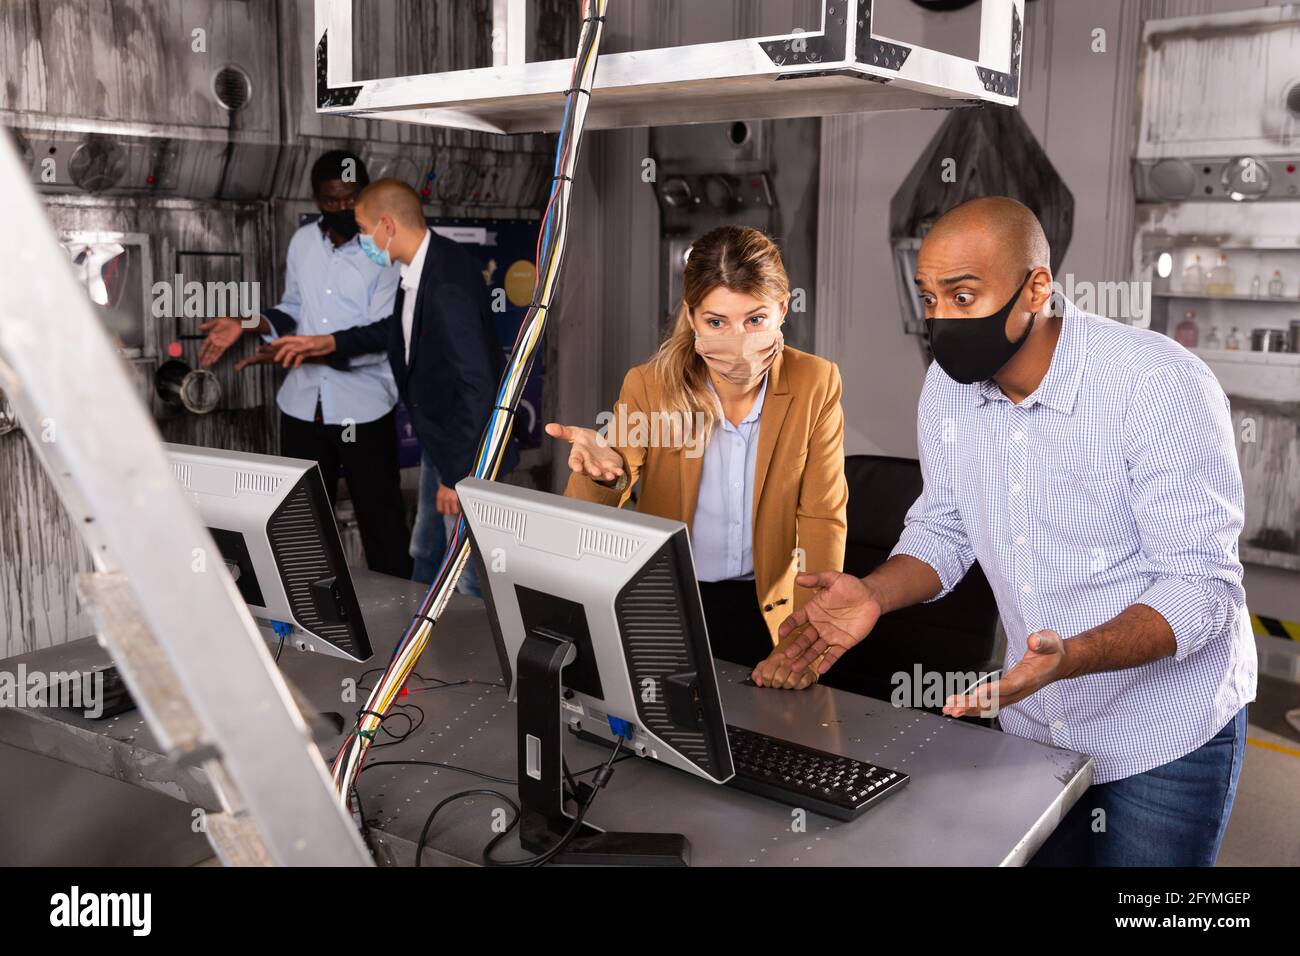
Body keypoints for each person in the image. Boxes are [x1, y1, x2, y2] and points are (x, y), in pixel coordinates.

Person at [761, 196, 1256, 866]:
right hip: (1034, 725)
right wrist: (875, 594)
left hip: (1162, 734)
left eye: (963, 296)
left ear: (1037, 289)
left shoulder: (1157, 385)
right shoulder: (947, 389)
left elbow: (1202, 591)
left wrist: (1070, 658)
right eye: (929, 297)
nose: (940, 320)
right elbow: (945, 530)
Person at [547, 225, 847, 678]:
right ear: (691, 317)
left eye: (755, 319)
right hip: (673, 602)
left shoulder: (815, 383)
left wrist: (805, 635)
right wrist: (602, 476)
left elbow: (823, 516)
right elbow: (609, 483)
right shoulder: (649, 386)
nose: (738, 342)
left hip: (767, 608)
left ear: (782, 309)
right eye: (716, 322)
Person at [268, 178, 517, 593]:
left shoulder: (447, 280)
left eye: (364, 230)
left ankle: (481, 655)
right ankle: (417, 644)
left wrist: (460, 476)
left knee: (469, 575)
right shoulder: (417, 269)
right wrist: (327, 343)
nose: (362, 241)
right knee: (425, 552)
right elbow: (390, 335)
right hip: (442, 442)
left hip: (465, 450)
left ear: (387, 225)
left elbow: (478, 385)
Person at [197, 150, 411, 578]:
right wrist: (251, 321)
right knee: (304, 527)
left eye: (350, 199)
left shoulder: (383, 252)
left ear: (365, 197)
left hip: (363, 409)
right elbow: (294, 307)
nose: (341, 208)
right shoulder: (302, 244)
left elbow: (385, 334)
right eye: (330, 201)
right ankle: (312, 620)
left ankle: (404, 628)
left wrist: (315, 347)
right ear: (316, 200)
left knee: (382, 525)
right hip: (300, 408)